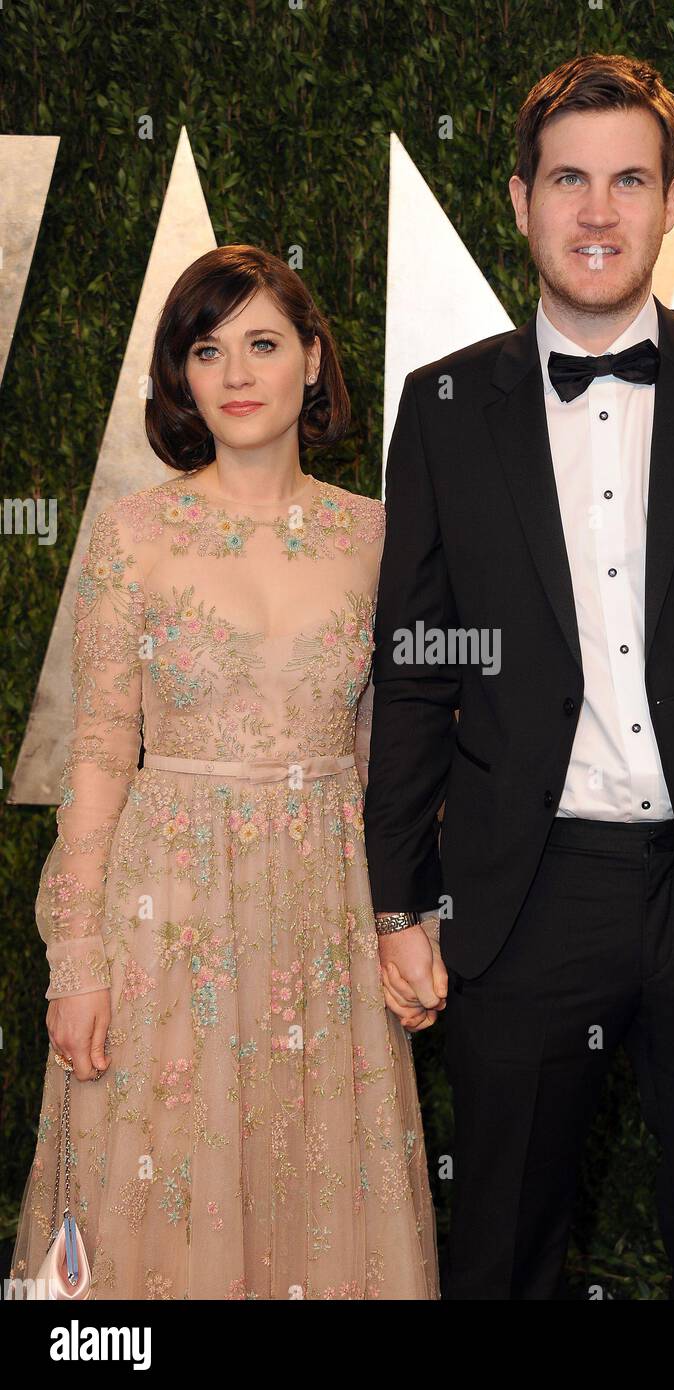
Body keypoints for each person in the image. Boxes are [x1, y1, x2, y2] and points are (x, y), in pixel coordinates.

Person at [364, 52, 674, 1299]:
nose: (598, 212)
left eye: (628, 180)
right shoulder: (439, 406)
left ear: (669, 202)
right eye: (569, 180)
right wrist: (399, 901)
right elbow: (415, 671)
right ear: (520, 199)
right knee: (496, 1257)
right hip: (521, 897)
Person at [11, 244, 439, 1300]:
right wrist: (79, 959)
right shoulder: (136, 535)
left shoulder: (375, 537)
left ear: (310, 360)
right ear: (183, 378)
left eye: (262, 342)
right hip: (167, 919)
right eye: (208, 349)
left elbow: (394, 757)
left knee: (317, 1189)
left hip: (325, 917)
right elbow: (103, 751)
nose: (237, 372)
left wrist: (408, 920)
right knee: (156, 1194)